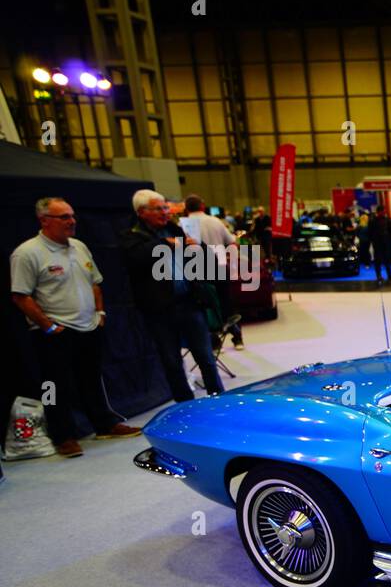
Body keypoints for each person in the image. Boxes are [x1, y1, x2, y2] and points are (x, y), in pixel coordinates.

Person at [9, 197, 141, 457]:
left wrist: (100, 313)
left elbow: (95, 282)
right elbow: (20, 296)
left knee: (91, 379)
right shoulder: (27, 252)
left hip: (88, 327)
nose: (72, 222)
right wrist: (48, 326)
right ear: (44, 220)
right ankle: (62, 436)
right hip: (54, 333)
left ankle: (104, 423)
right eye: (64, 217)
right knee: (53, 386)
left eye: (72, 216)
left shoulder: (79, 247)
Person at [120, 189, 224, 400]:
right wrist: (163, 245)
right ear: (142, 212)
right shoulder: (131, 236)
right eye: (158, 208)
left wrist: (199, 247)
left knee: (205, 357)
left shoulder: (176, 230)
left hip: (189, 303)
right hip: (160, 311)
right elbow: (135, 258)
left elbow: (203, 262)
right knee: (171, 362)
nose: (165, 212)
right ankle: (184, 406)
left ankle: (218, 399)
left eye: (166, 207)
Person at [181, 194, 243, 350]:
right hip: (220, 266)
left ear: (186, 208)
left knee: (207, 305)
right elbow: (232, 242)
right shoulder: (216, 221)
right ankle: (237, 338)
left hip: (198, 269)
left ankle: (214, 343)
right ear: (202, 206)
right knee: (227, 303)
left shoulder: (185, 225)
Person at [370, 210, 391, 281]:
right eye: (381, 212)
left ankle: (390, 275)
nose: (383, 213)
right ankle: (379, 275)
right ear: (378, 212)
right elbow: (371, 232)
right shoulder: (373, 221)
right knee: (377, 260)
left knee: (387, 259)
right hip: (377, 244)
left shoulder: (387, 220)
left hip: (386, 243)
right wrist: (373, 241)